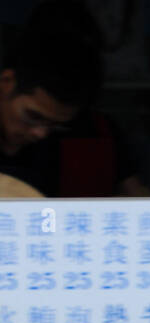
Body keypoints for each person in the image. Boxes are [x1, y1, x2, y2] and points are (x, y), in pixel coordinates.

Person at [0, 14, 104, 195]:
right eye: (33, 116)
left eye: (54, 125)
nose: (40, 133)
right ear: (6, 82)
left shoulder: (48, 148)